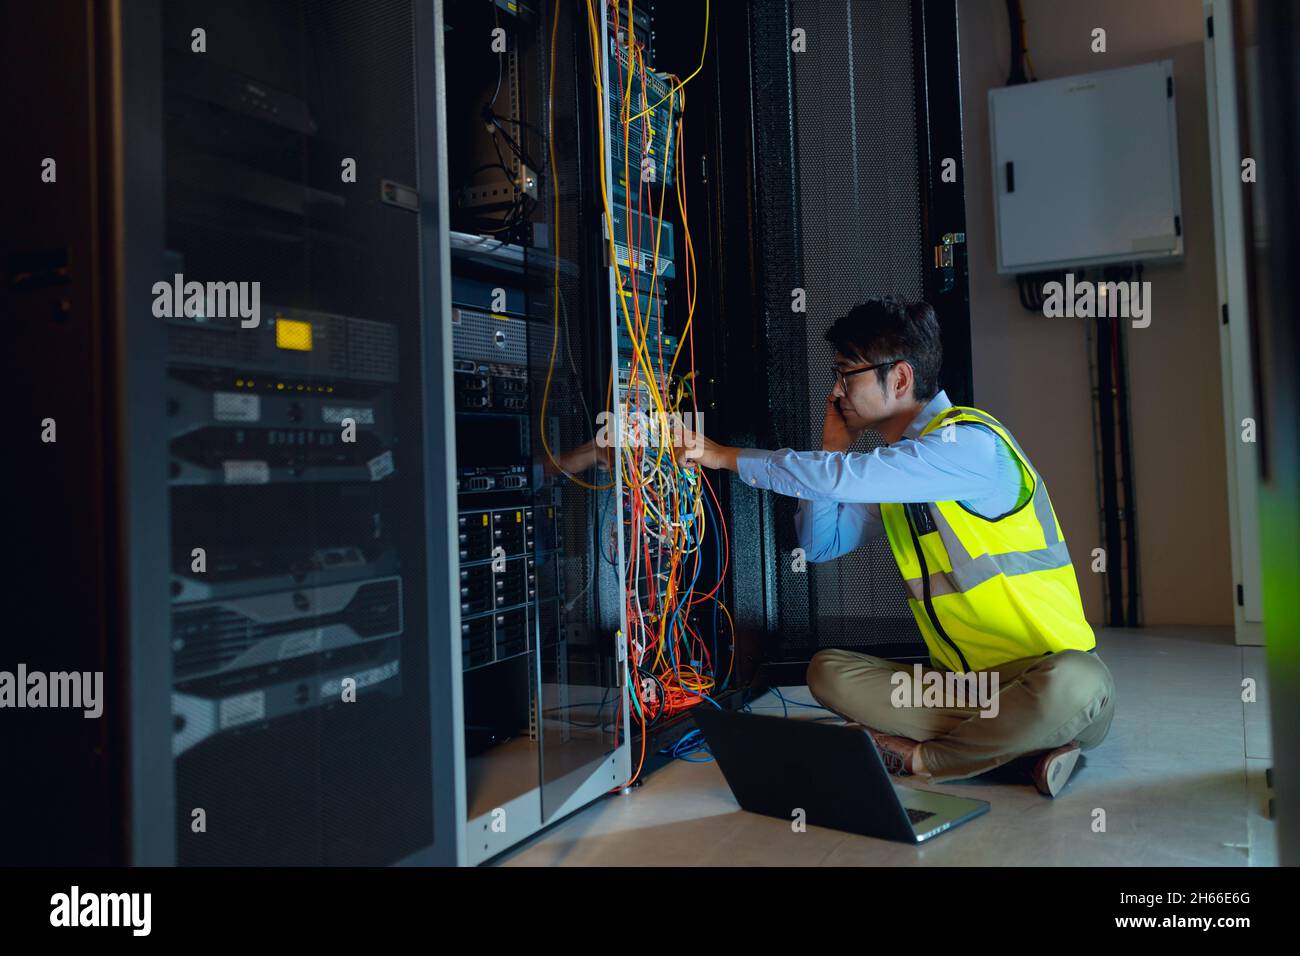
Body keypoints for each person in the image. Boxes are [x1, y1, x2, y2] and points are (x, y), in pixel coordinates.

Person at [675, 295, 1115, 797]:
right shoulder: (899, 470)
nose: (836, 390)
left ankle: (926, 758)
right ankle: (1021, 752)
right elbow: (821, 544)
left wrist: (724, 455)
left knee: (1077, 683)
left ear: (900, 379)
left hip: (1045, 678)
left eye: (847, 373)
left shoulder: (969, 445)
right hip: (966, 693)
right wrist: (832, 445)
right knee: (828, 672)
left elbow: (844, 480)